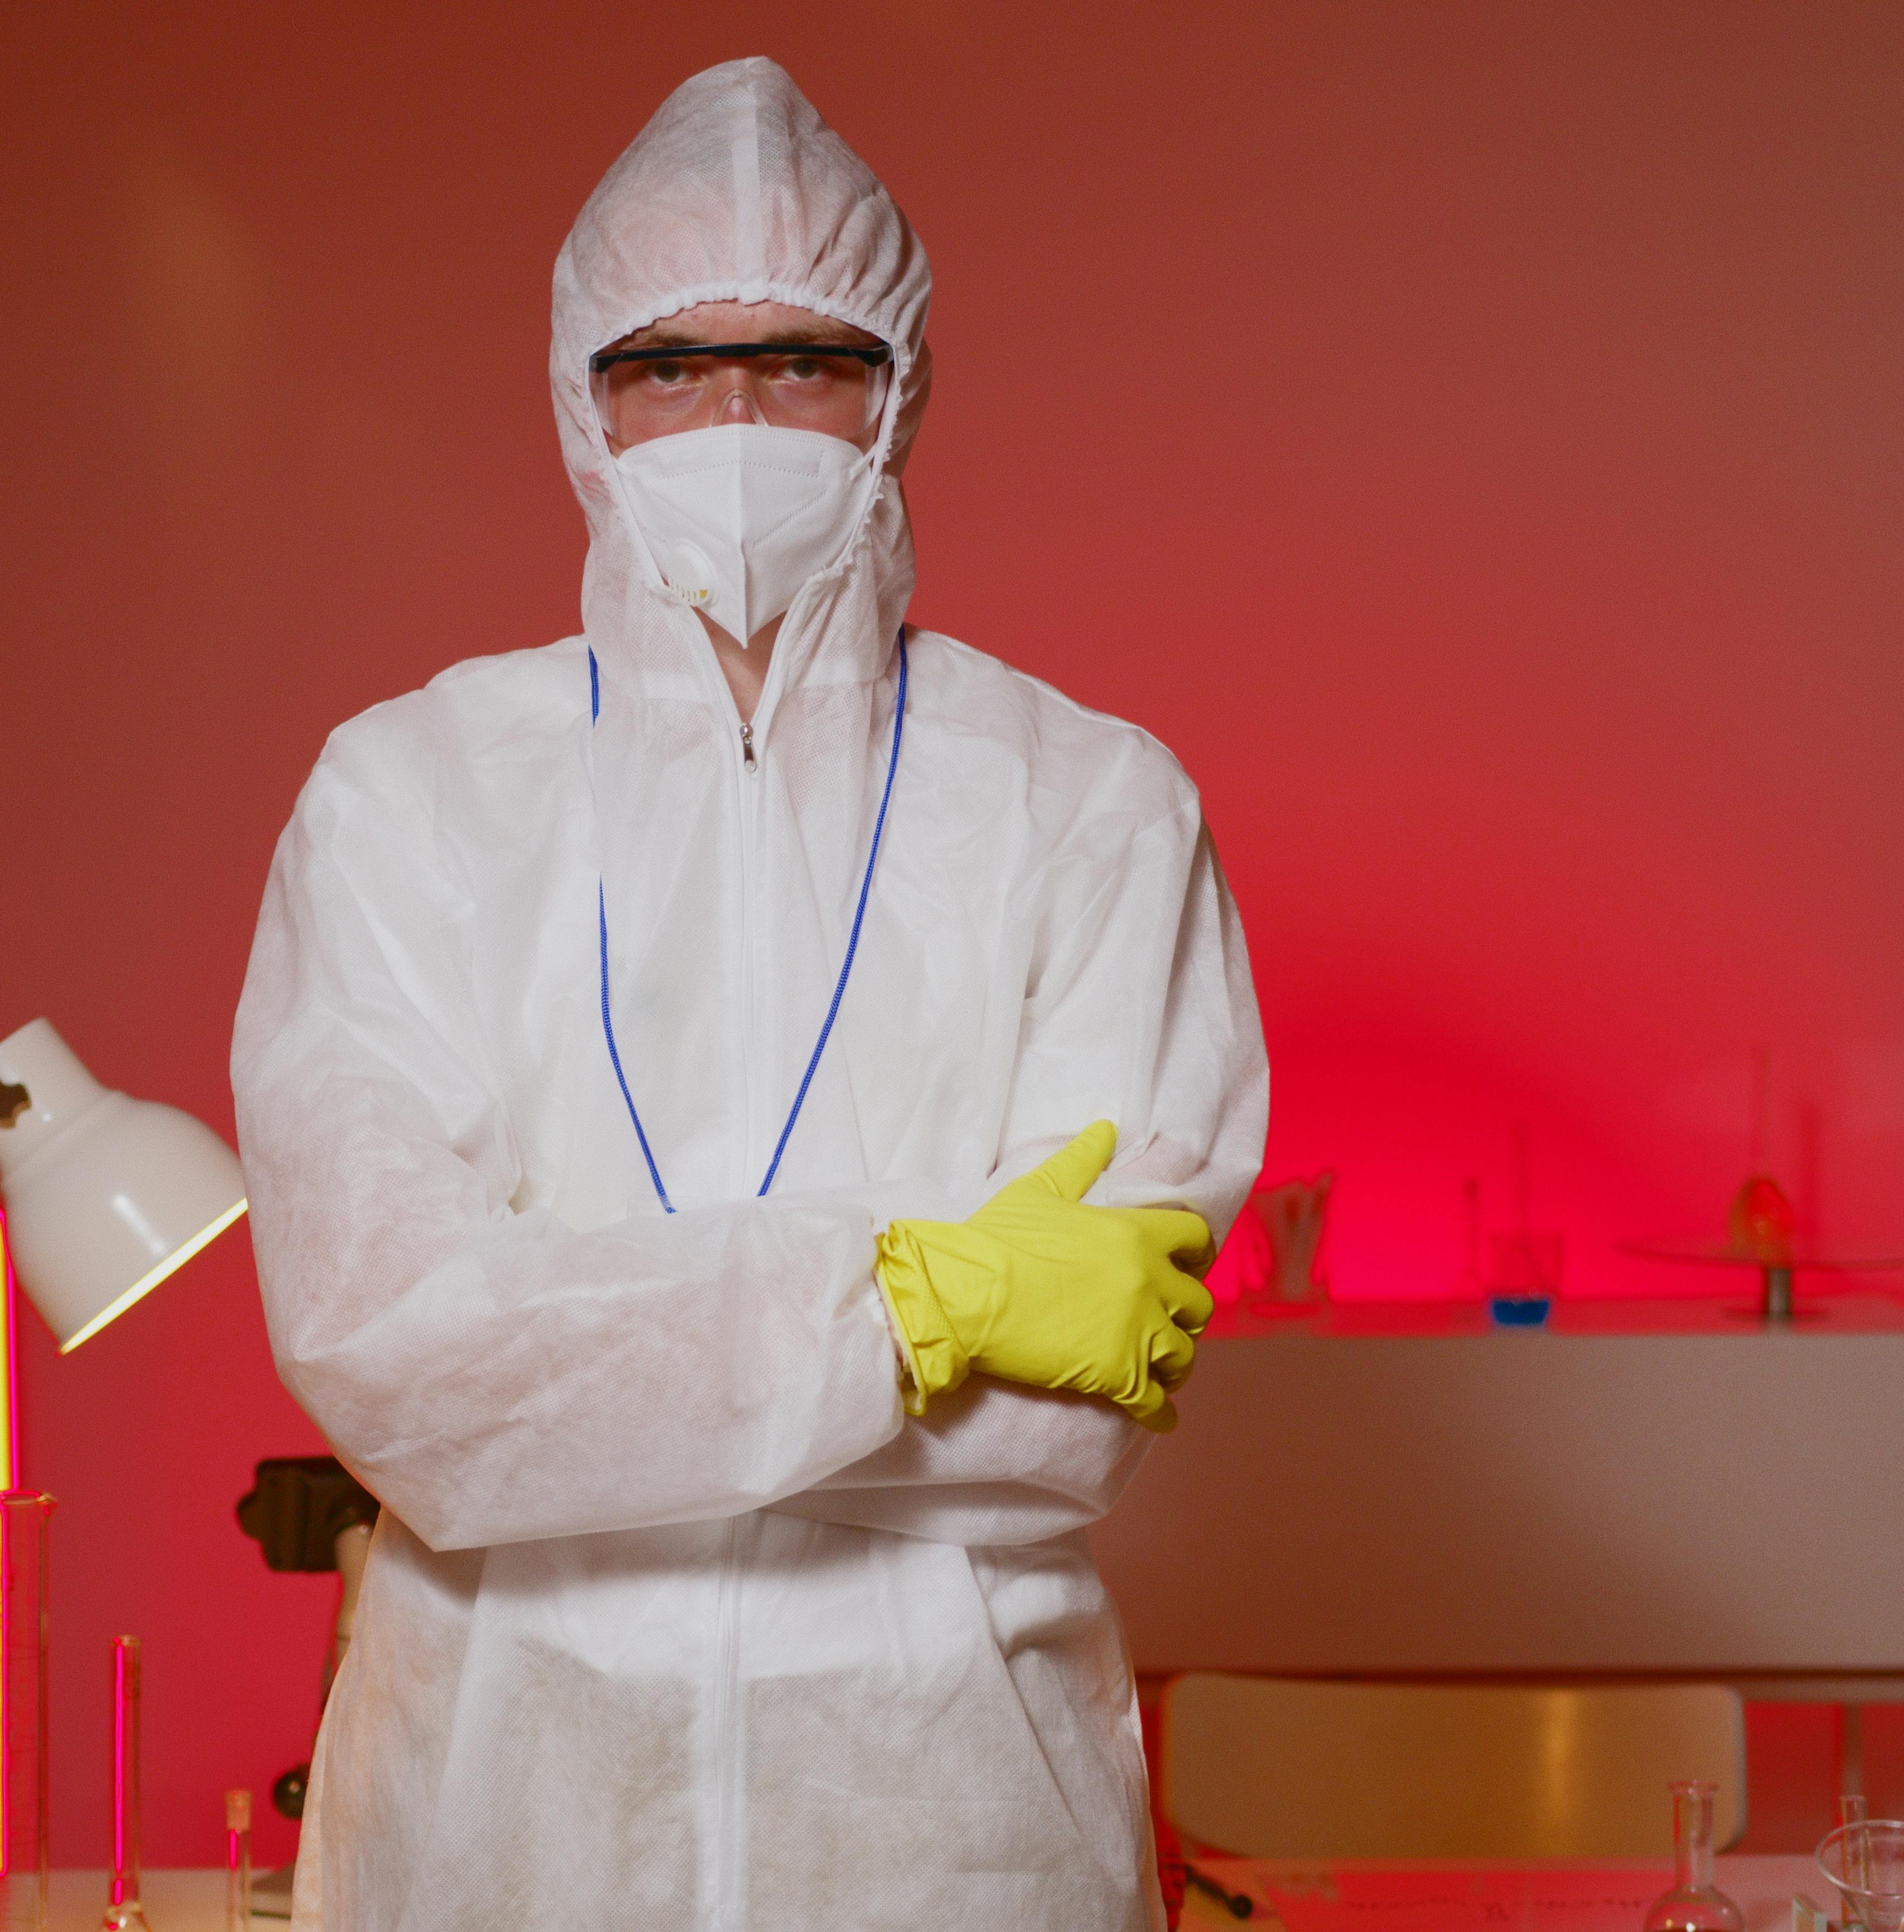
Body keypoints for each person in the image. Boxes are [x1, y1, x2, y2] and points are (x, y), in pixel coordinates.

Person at [230, 55, 1266, 1931]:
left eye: (807, 358)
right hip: (500, 1840)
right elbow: (400, 1361)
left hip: (953, 1846)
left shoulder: (1091, 803)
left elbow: (1064, 1440)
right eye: (668, 366)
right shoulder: (412, 795)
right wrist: (923, 1297)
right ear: (580, 399)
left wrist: (584, 1375)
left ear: (902, 394)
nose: (737, 416)